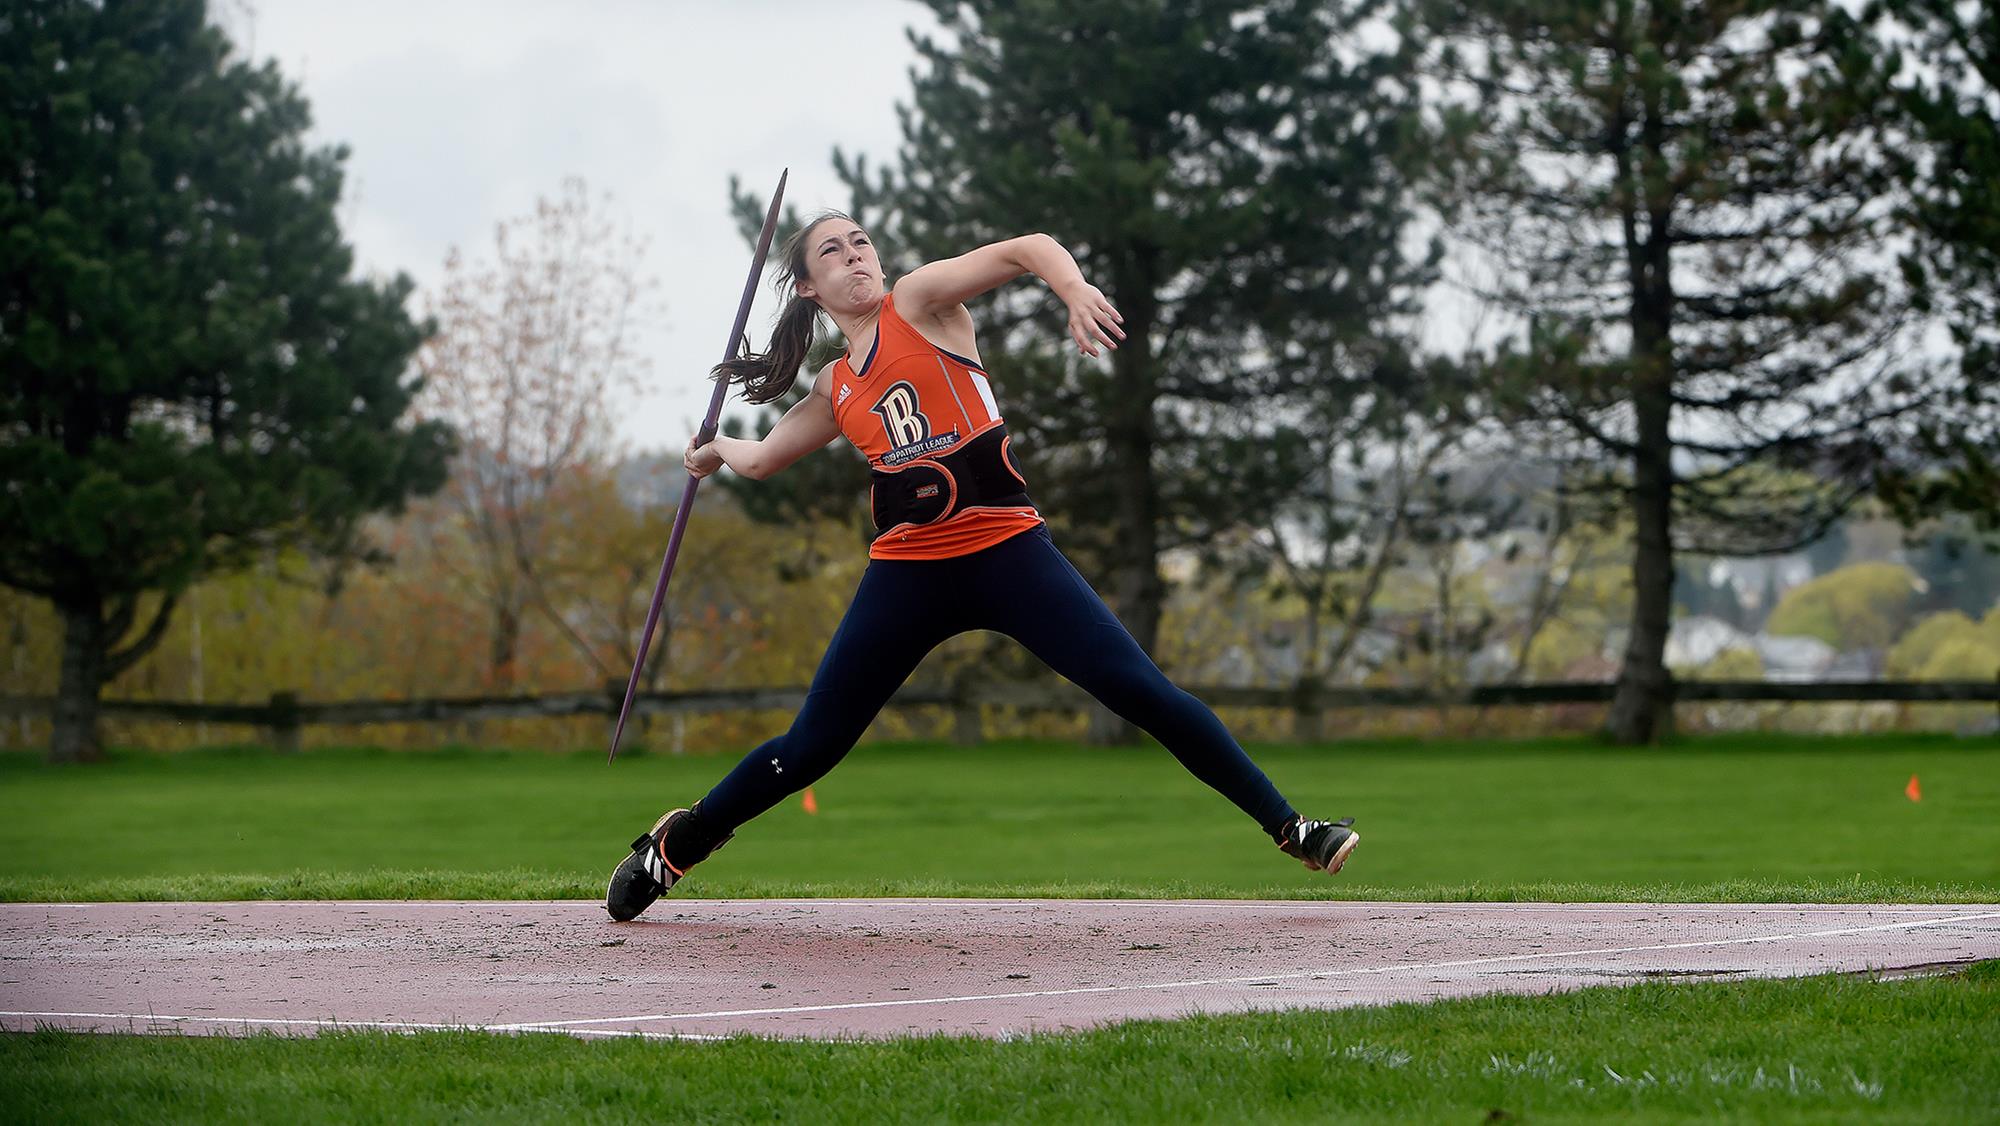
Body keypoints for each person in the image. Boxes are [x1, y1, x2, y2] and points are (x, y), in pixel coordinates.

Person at [605, 214, 1357, 921]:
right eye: (832, 252)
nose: (854, 255)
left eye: (860, 242)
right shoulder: (836, 386)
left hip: (1008, 553)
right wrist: (716, 452)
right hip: (908, 575)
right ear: (809, 287)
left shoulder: (921, 303)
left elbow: (1027, 246)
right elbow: (765, 458)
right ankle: (678, 845)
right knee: (807, 752)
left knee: (1141, 692)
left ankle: (1292, 827)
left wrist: (1071, 289)